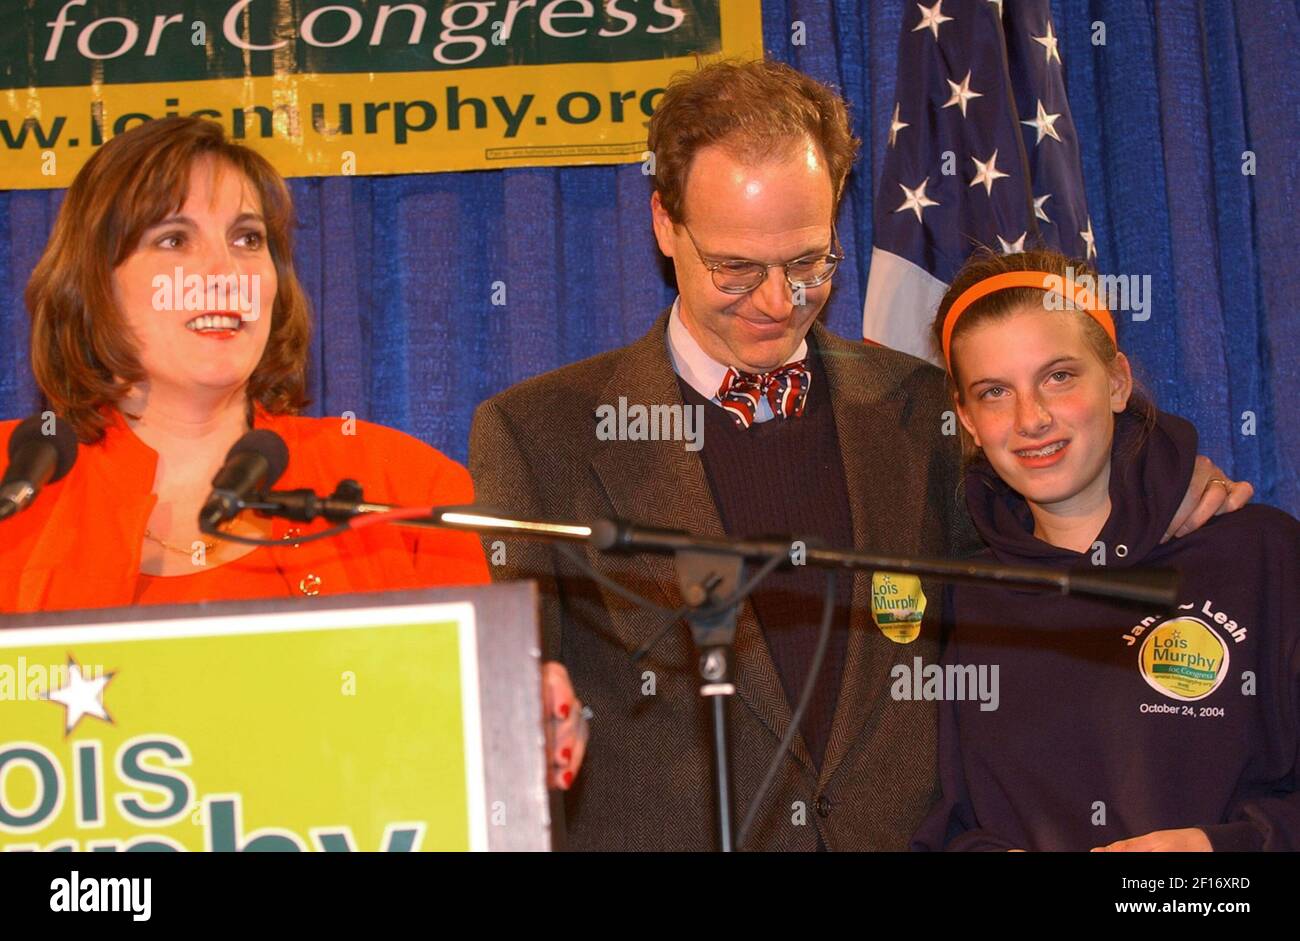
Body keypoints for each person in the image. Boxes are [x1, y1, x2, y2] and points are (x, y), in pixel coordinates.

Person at [468, 59, 1247, 850]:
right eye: (736, 268)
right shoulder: (540, 434)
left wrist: (1161, 474)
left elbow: (1049, 521)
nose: (779, 301)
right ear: (666, 224)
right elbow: (518, 700)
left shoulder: (924, 408)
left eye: (809, 262)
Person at [0, 116, 585, 791]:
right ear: (94, 285)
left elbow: (465, 774)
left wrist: (526, 727)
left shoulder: (401, 487)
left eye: (248, 240)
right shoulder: (19, 478)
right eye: (173, 239)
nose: (222, 273)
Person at [911, 248, 1299, 851]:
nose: (1031, 419)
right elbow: (950, 821)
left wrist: (1214, 853)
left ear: (1117, 381)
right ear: (964, 416)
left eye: (1059, 376)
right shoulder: (964, 597)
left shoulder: (1263, 555)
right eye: (993, 392)